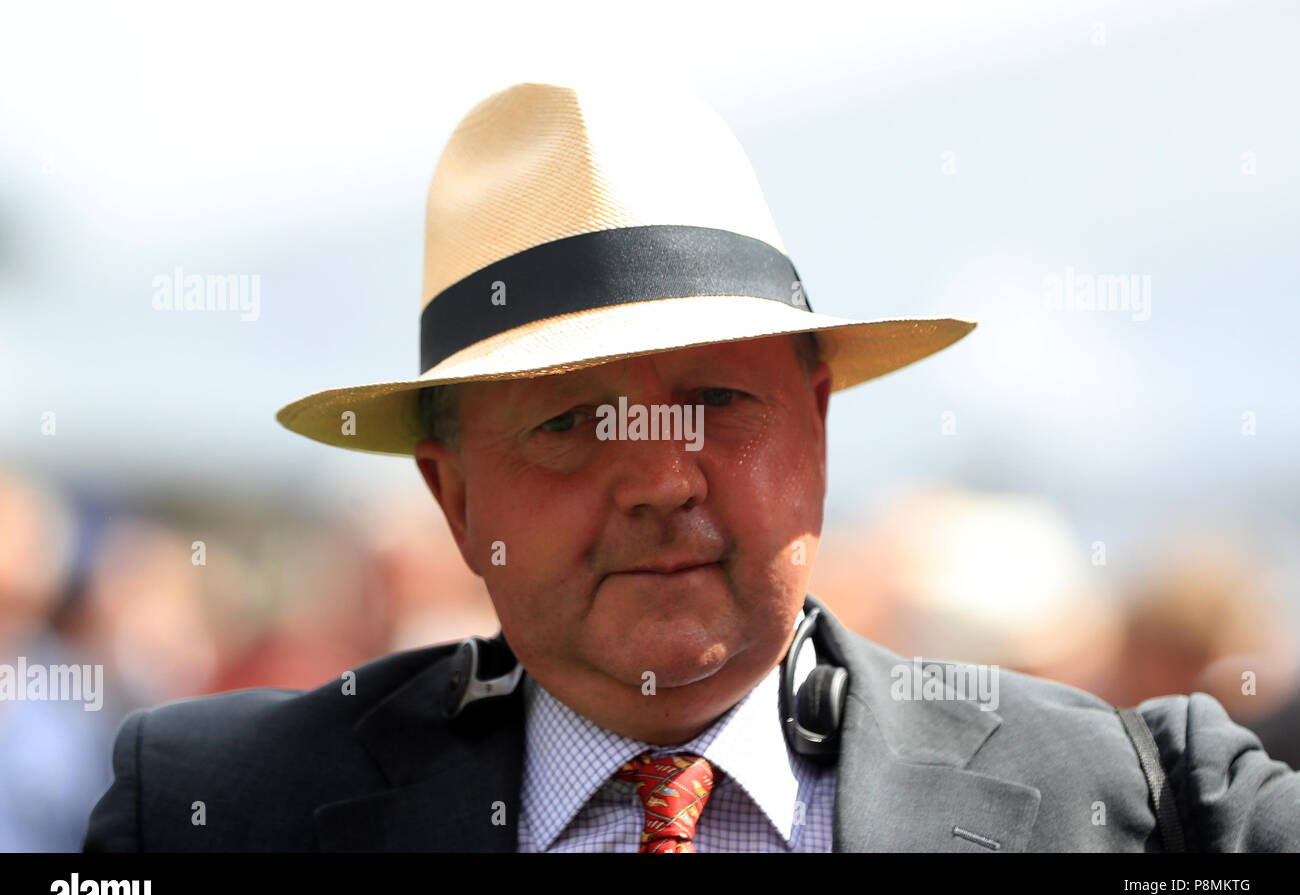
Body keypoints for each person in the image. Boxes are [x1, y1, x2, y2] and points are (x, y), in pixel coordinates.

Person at [83, 80, 1299, 853]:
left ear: (817, 434)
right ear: (454, 500)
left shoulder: (1147, 806)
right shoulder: (208, 814)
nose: (661, 476)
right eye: (568, 421)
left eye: (717, 401)